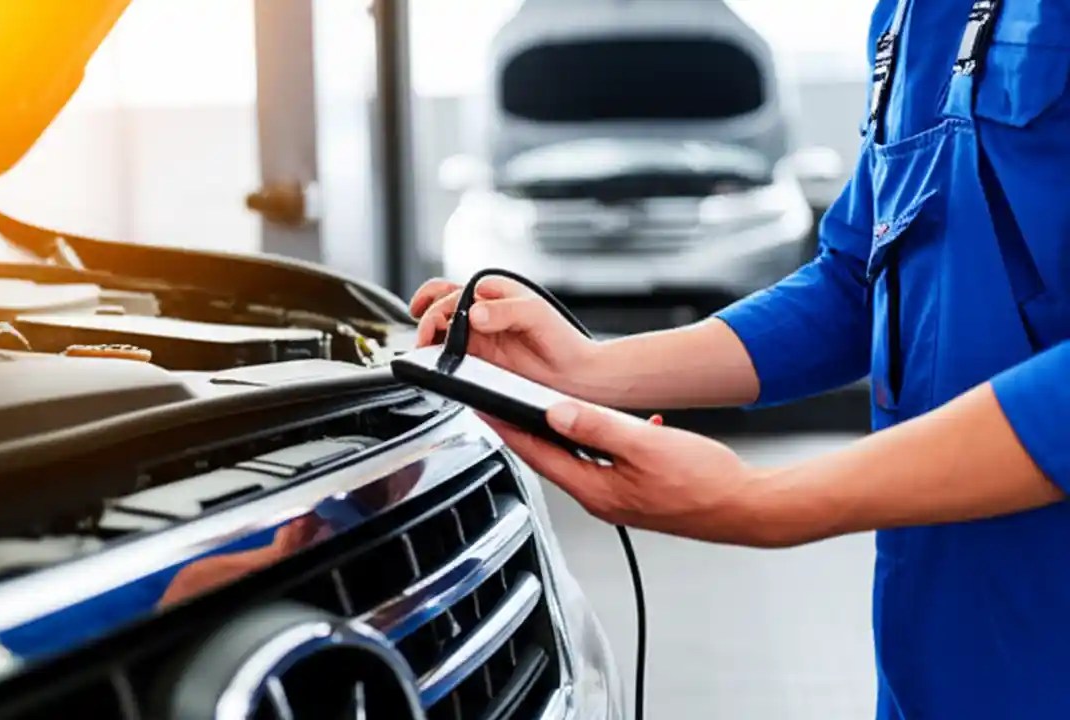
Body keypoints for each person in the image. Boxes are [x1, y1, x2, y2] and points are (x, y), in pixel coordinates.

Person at [410, 1, 1070, 717]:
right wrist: (587, 369)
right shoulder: (906, 17)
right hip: (943, 648)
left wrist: (761, 502)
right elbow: (856, 278)